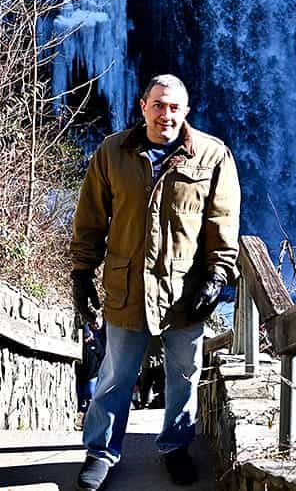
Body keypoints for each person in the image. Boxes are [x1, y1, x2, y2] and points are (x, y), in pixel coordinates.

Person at [70, 74, 240, 490]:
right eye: (158, 105)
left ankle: (175, 446)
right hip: (127, 285)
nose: (166, 114)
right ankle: (101, 452)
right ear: (143, 106)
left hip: (186, 288)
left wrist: (218, 274)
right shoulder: (113, 152)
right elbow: (91, 218)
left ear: (186, 111)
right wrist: (81, 272)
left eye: (174, 106)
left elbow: (223, 222)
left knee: (184, 373)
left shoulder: (212, 155)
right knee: (115, 374)